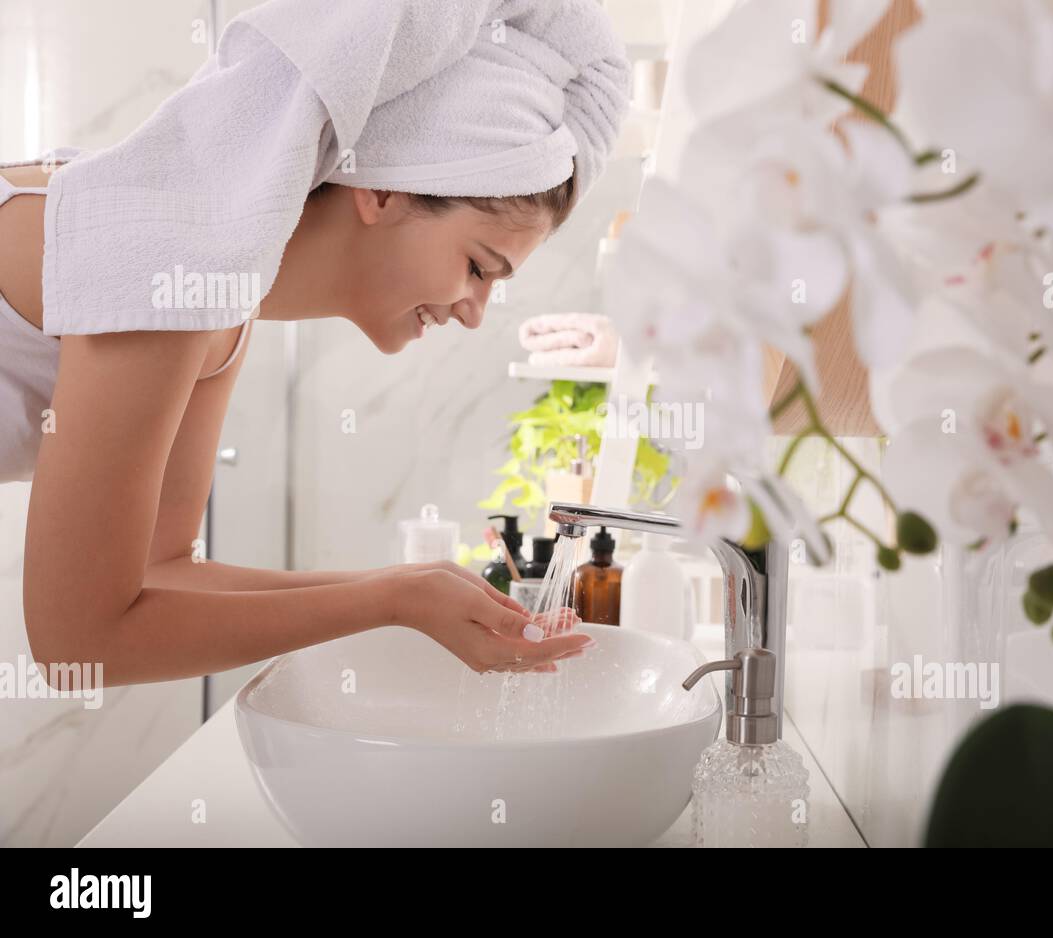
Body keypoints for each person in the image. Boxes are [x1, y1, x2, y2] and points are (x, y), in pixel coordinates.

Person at [0, 0, 629, 688]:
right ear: (384, 190)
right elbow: (74, 644)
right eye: (478, 266)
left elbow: (163, 568)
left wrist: (406, 587)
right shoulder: (172, 259)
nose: (476, 312)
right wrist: (391, 602)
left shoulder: (223, 288)